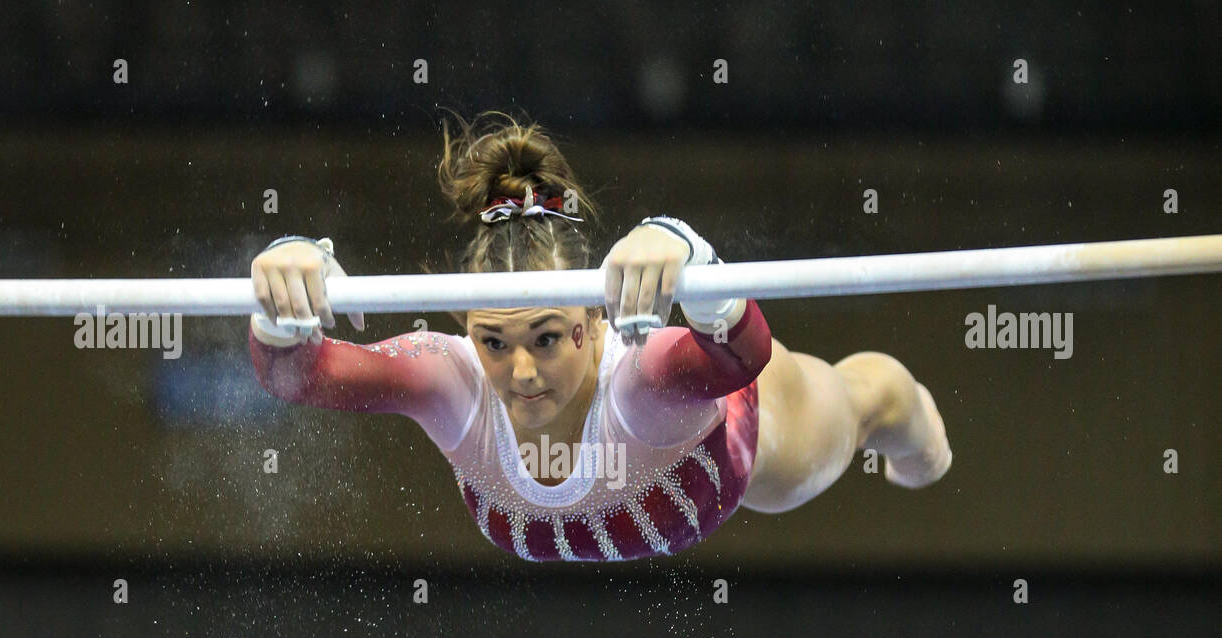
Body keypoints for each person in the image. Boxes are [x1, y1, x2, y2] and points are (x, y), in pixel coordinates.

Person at [247, 112, 951, 562]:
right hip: (684, 460)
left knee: (873, 405)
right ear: (466, 328)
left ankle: (910, 415)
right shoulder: (443, 382)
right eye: (494, 343)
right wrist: (282, 300)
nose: (521, 371)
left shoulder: (642, 382)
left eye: (547, 338)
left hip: (750, 442)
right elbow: (294, 377)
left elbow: (743, 357)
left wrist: (693, 259)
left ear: (592, 324)